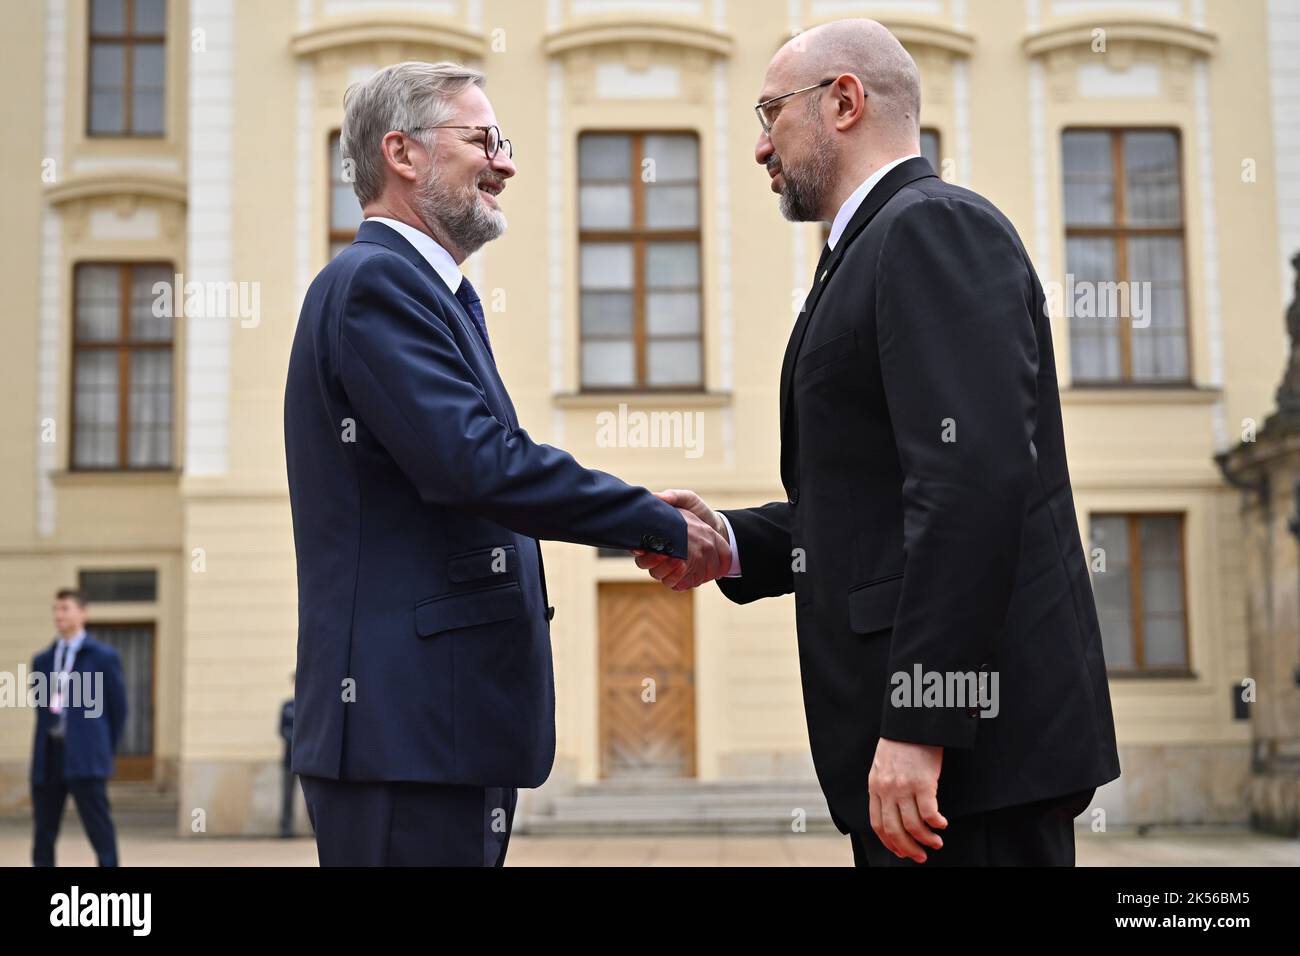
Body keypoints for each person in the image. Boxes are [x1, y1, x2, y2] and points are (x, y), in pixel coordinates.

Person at [636, 19, 1120, 866]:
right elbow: (877, 506)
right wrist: (735, 544)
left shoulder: (932, 228)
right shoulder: (864, 250)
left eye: (770, 114)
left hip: (969, 767)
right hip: (935, 771)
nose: (760, 147)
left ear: (844, 102)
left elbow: (972, 484)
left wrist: (922, 723)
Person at [283, 61, 730, 866]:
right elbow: (479, 464)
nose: (506, 162)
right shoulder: (376, 283)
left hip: (442, 735)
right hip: (404, 742)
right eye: (483, 140)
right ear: (403, 153)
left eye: (505, 141)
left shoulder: (429, 291)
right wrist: (657, 522)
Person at [30, 588, 128, 867]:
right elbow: (42, 708)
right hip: (50, 755)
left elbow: (117, 708)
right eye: (55, 609)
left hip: (86, 755)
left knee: (99, 827)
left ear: (82, 613)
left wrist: (103, 749)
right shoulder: (43, 660)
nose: (58, 615)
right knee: (44, 831)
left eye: (65, 608)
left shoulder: (102, 657)